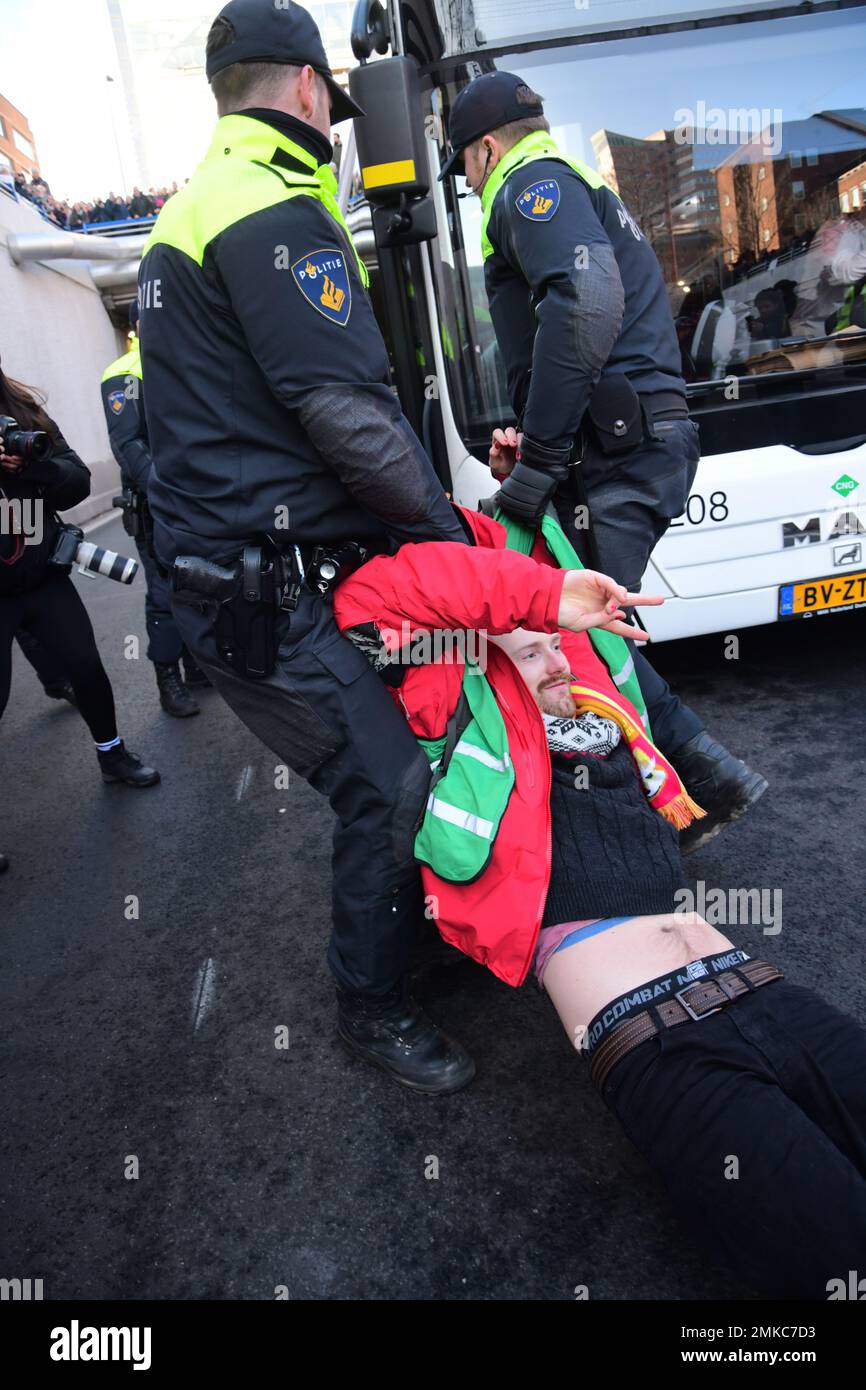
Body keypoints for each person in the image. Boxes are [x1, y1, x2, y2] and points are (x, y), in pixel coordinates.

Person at [332, 507, 866, 1299]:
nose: (555, 656)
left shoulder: (612, 718)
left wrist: (526, 502)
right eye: (533, 640)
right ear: (478, 643)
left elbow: (574, 605)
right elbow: (378, 603)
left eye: (559, 642)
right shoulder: (468, 722)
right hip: (659, 1042)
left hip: (766, 993)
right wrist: (532, 599)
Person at [138, 0, 490, 1093]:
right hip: (263, 590)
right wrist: (456, 549)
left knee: (412, 760)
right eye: (330, 104)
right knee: (385, 785)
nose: (334, 123)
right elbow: (345, 416)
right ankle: (370, 1003)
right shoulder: (271, 207)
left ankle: (409, 935)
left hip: (255, 576)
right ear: (303, 87)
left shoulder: (194, 206)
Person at [438, 72, 768, 853]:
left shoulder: (528, 186)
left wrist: (539, 463)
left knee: (574, 637)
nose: (471, 181)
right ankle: (696, 786)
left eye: (466, 165)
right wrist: (539, 438)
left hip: (622, 450)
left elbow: (585, 306)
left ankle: (652, 820)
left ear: (484, 147)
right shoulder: (566, 182)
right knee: (587, 633)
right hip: (620, 443)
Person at [0, 358, 160, 876]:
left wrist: (33, 466)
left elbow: (76, 481)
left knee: (86, 667)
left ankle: (112, 755)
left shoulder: (24, 413)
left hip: (42, 574)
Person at [100, 301, 209, 717]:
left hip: (194, 500)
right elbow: (128, 445)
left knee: (199, 583)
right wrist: (165, 494)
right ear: (137, 327)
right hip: (155, 505)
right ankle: (169, 679)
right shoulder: (124, 372)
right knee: (164, 593)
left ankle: (197, 666)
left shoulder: (181, 360)